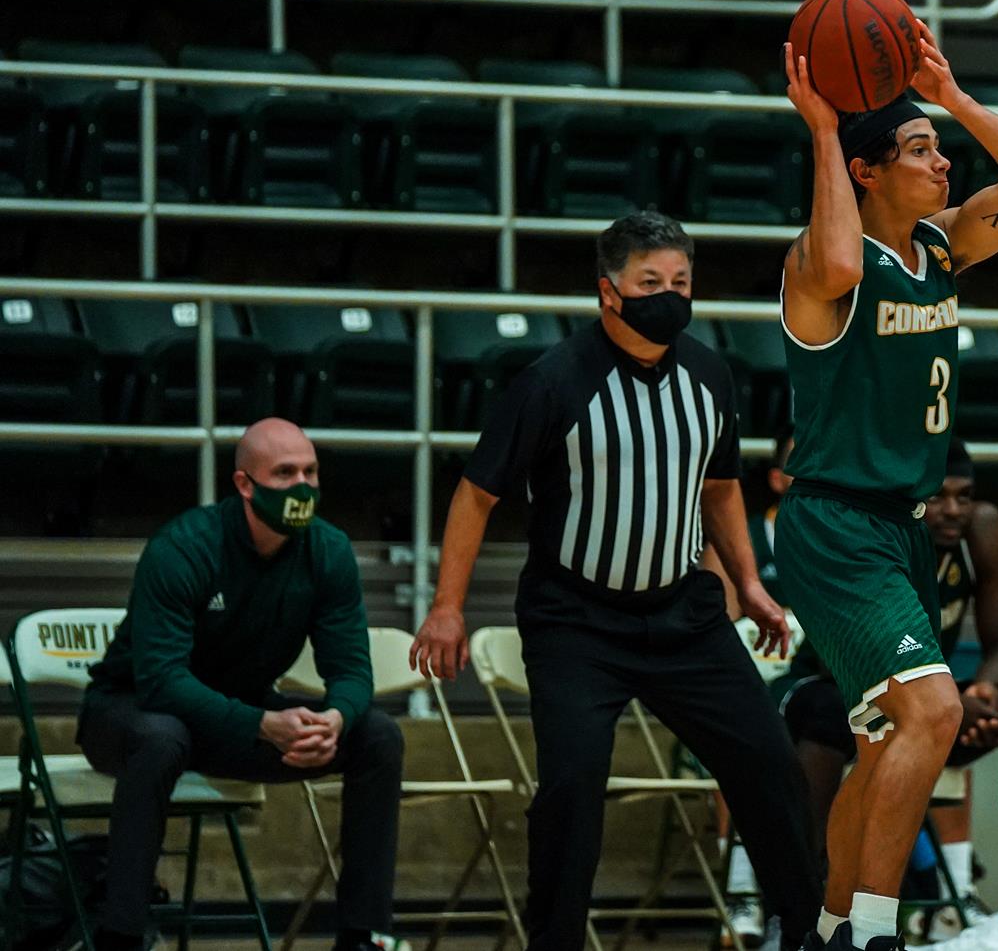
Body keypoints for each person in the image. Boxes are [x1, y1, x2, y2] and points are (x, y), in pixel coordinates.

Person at [409, 212, 819, 951]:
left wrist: (751, 585)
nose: (670, 295)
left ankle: (807, 934)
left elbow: (721, 486)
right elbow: (476, 493)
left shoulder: (710, 373)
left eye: (681, 282)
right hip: (576, 620)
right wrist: (446, 607)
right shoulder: (552, 381)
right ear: (609, 291)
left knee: (770, 766)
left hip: (684, 614)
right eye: (651, 282)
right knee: (571, 789)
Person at [778, 27, 998, 951]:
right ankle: (871, 929)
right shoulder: (822, 268)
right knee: (935, 711)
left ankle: (825, 925)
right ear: (866, 171)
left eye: (939, 149)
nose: (943, 160)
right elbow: (837, 263)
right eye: (919, 149)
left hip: (901, 528)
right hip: (834, 523)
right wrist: (824, 130)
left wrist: (952, 97)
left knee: (883, 746)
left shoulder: (941, 249)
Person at [80, 418, 403, 951]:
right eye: (284, 473)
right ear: (244, 485)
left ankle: (362, 936)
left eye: (311, 471)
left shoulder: (329, 551)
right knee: (164, 737)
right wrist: (261, 724)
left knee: (377, 736)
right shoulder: (184, 547)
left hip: (239, 719)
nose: (302, 486)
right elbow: (162, 682)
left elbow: (350, 668)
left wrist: (335, 717)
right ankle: (121, 936)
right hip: (129, 711)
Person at [781, 437, 998, 950]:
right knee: (826, 713)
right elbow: (843, 660)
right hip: (838, 689)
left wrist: (985, 691)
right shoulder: (880, 530)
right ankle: (799, 906)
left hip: (931, 702)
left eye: (964, 495)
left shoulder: (983, 530)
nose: (953, 510)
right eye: (938, 497)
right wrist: (954, 698)